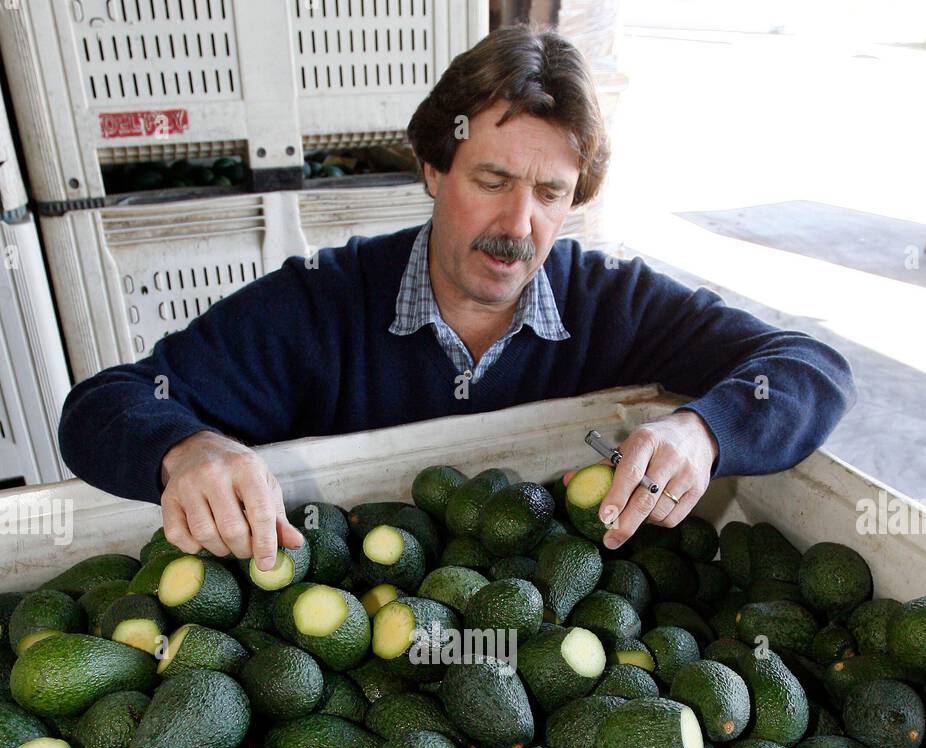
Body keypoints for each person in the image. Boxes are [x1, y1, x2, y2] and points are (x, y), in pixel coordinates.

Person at [58, 25, 856, 569]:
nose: (518, 224)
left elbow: (809, 366)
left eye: (550, 192)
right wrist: (185, 450)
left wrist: (703, 430)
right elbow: (103, 405)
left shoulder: (612, 301)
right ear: (435, 169)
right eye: (492, 180)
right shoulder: (318, 309)